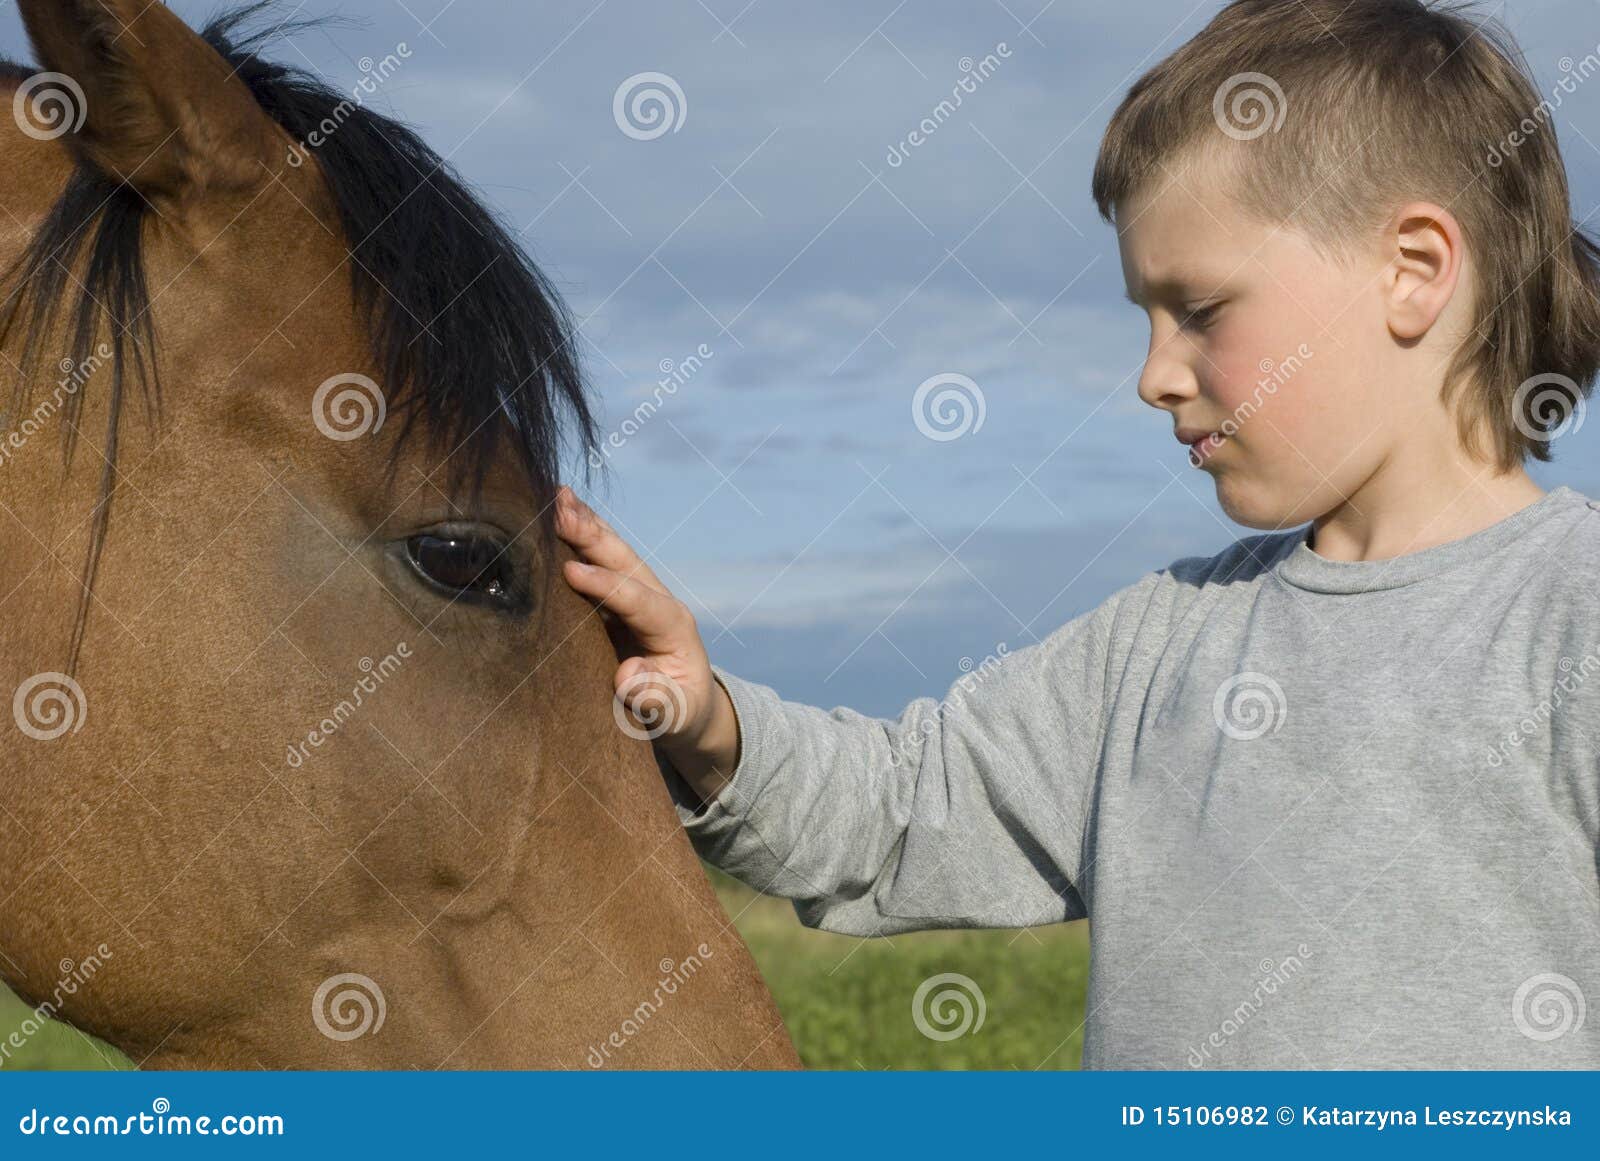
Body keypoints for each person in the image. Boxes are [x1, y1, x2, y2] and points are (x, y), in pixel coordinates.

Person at [558, 0, 1600, 1068]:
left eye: (1197, 309)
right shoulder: (1157, 646)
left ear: (1413, 268)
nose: (1152, 375)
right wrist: (710, 722)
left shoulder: (1575, 618)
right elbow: (899, 808)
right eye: (1144, 318)